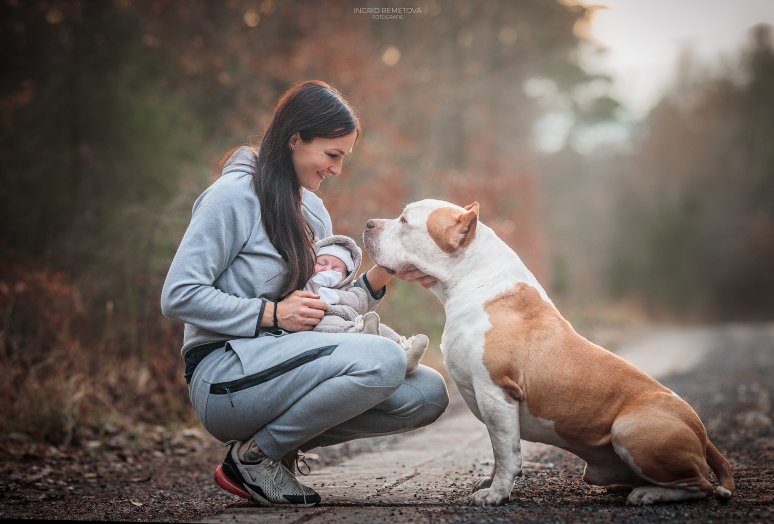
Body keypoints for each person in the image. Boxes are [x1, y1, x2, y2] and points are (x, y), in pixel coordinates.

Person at [160, 80, 449, 507]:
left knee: (427, 393)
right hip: (225, 376)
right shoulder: (230, 198)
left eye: (343, 158)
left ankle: (280, 445)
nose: (336, 170)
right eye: (332, 155)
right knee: (386, 359)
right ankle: (255, 458)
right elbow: (179, 295)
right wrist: (272, 314)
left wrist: (383, 274)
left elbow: (323, 305)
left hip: (292, 361)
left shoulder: (312, 209)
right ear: (295, 139)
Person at [303, 234, 429, 375]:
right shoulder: (304, 283)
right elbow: (301, 295)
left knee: (380, 327)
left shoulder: (347, 290)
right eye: (321, 263)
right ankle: (358, 335)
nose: (327, 270)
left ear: (346, 277)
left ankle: (403, 351)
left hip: (352, 319)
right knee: (331, 323)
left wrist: (336, 296)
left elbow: (359, 301)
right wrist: (316, 283)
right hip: (321, 321)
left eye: (336, 270)